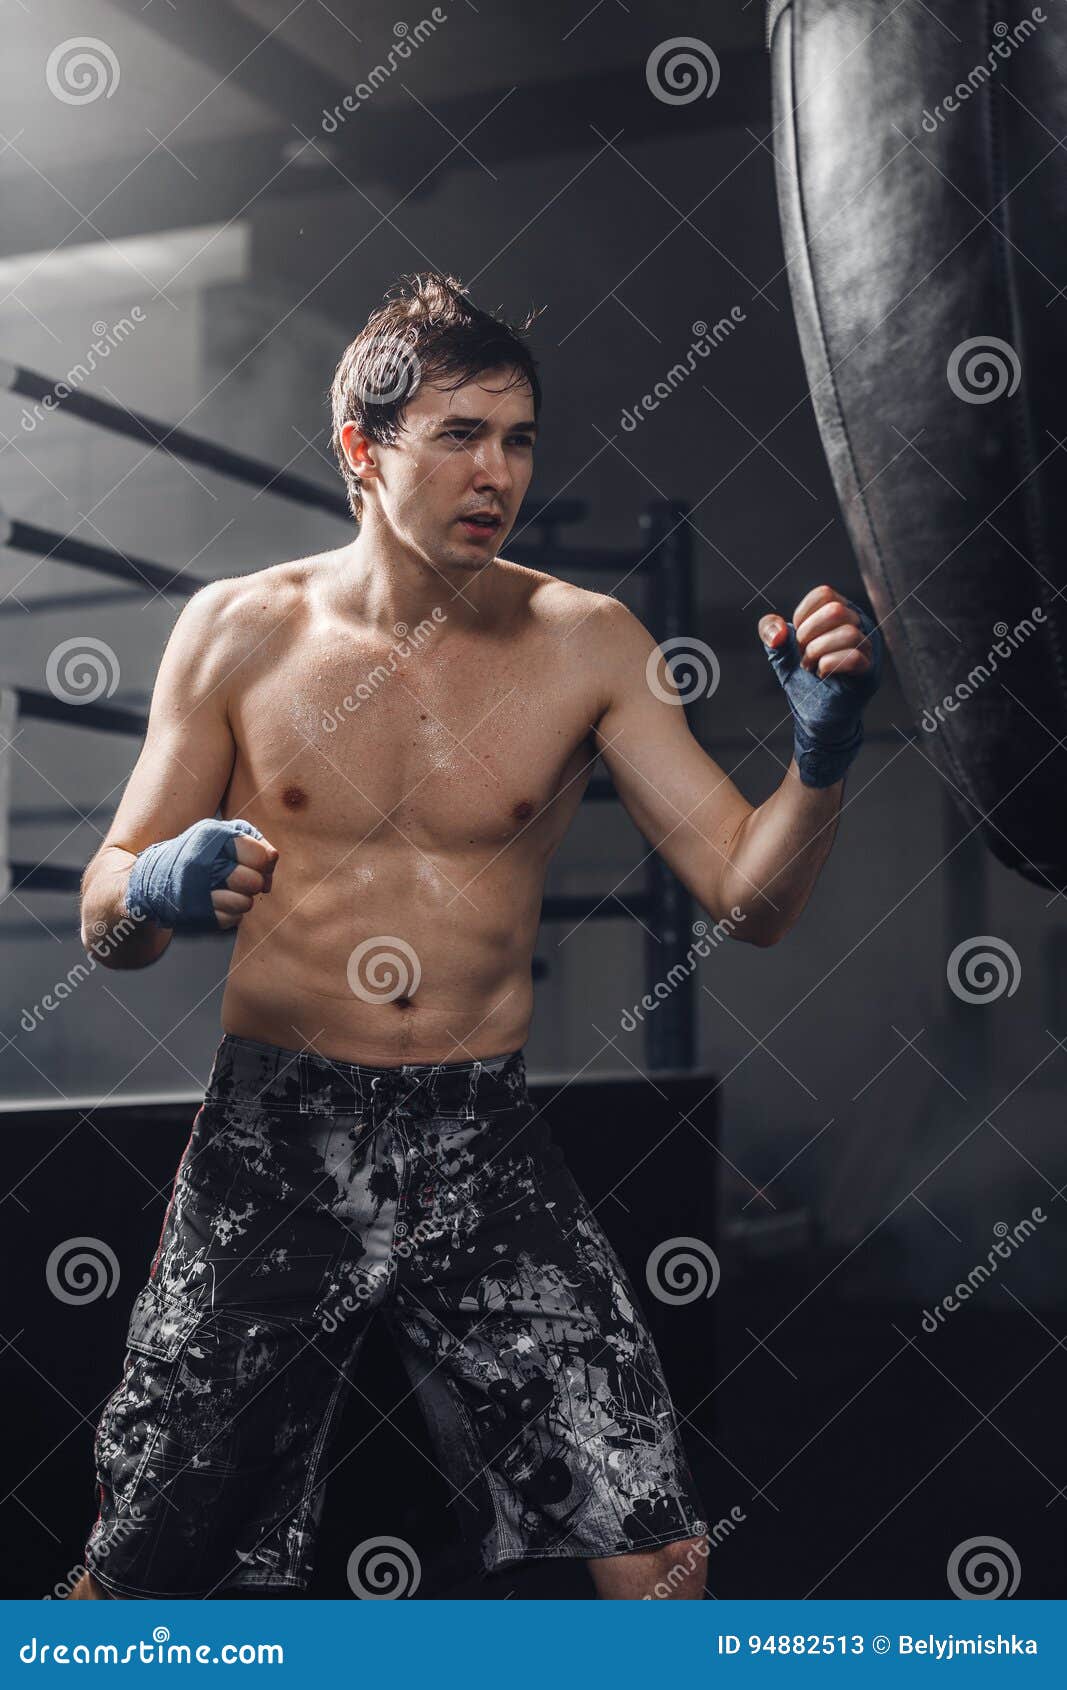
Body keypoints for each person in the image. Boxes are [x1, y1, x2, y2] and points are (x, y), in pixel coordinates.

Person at [70, 271, 881, 1602]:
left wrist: (824, 757)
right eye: (458, 434)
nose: (495, 470)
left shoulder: (586, 642)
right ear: (361, 449)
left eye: (517, 438)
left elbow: (754, 896)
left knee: (657, 1550)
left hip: (478, 1135)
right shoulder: (236, 633)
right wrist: (152, 884)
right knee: (148, 1545)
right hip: (276, 1130)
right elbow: (114, 914)